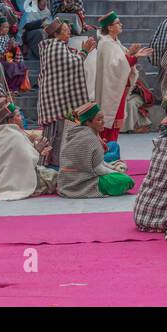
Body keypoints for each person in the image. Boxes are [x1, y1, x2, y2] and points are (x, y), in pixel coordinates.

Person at [84, 11, 152, 143]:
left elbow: (122, 60)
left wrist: (133, 54)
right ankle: (107, 154)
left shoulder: (115, 42)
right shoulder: (106, 43)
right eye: (118, 23)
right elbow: (115, 67)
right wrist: (134, 56)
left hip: (118, 91)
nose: (121, 24)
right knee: (108, 125)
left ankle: (113, 153)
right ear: (109, 27)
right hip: (110, 91)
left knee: (116, 124)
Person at [36, 20, 94, 165]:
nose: (69, 33)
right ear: (56, 34)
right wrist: (85, 51)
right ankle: (56, 162)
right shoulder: (55, 46)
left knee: (57, 132)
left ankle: (52, 161)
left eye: (69, 30)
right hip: (57, 97)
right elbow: (73, 64)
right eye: (66, 31)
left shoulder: (51, 46)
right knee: (58, 133)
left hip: (54, 95)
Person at [58, 101, 135, 198]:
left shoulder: (83, 131)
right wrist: (116, 172)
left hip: (67, 181)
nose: (103, 122)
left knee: (113, 146)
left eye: (103, 119)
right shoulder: (89, 138)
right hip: (79, 182)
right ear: (88, 122)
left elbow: (98, 163)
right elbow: (98, 169)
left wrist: (113, 168)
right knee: (126, 181)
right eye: (99, 120)